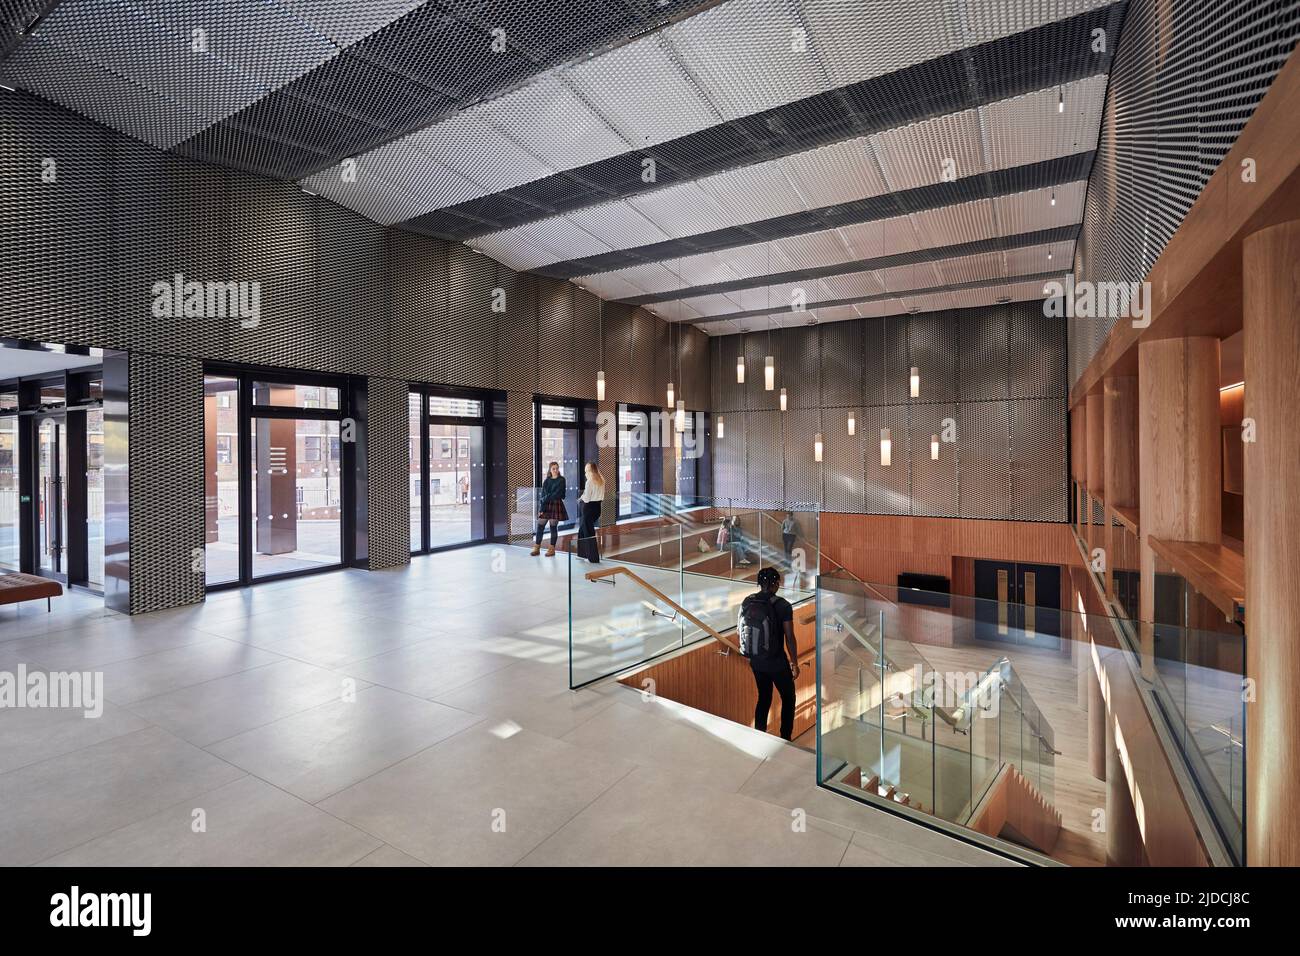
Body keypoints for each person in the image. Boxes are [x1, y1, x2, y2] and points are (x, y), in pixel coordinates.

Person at [738, 567, 799, 740]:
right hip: (777, 663)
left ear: (759, 584)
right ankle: (785, 738)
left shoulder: (747, 602)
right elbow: (789, 637)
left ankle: (760, 736)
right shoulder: (783, 605)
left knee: (764, 697)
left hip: (756, 661)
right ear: (776, 584)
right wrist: (794, 663)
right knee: (788, 698)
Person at [531, 461, 566, 557]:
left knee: (553, 527)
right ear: (550, 470)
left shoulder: (562, 480)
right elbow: (543, 496)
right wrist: (541, 509)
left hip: (556, 504)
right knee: (540, 526)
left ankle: (551, 549)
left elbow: (559, 494)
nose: (555, 470)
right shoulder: (546, 481)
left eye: (557, 468)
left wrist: (547, 496)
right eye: (553, 468)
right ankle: (537, 548)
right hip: (546, 505)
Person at [576, 461, 605, 563]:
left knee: (588, 532)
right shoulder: (601, 480)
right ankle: (582, 554)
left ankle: (593, 558)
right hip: (597, 508)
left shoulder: (590, 482)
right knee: (582, 531)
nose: (585, 472)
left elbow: (587, 498)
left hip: (588, 508)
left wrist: (581, 498)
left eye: (586, 470)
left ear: (590, 470)